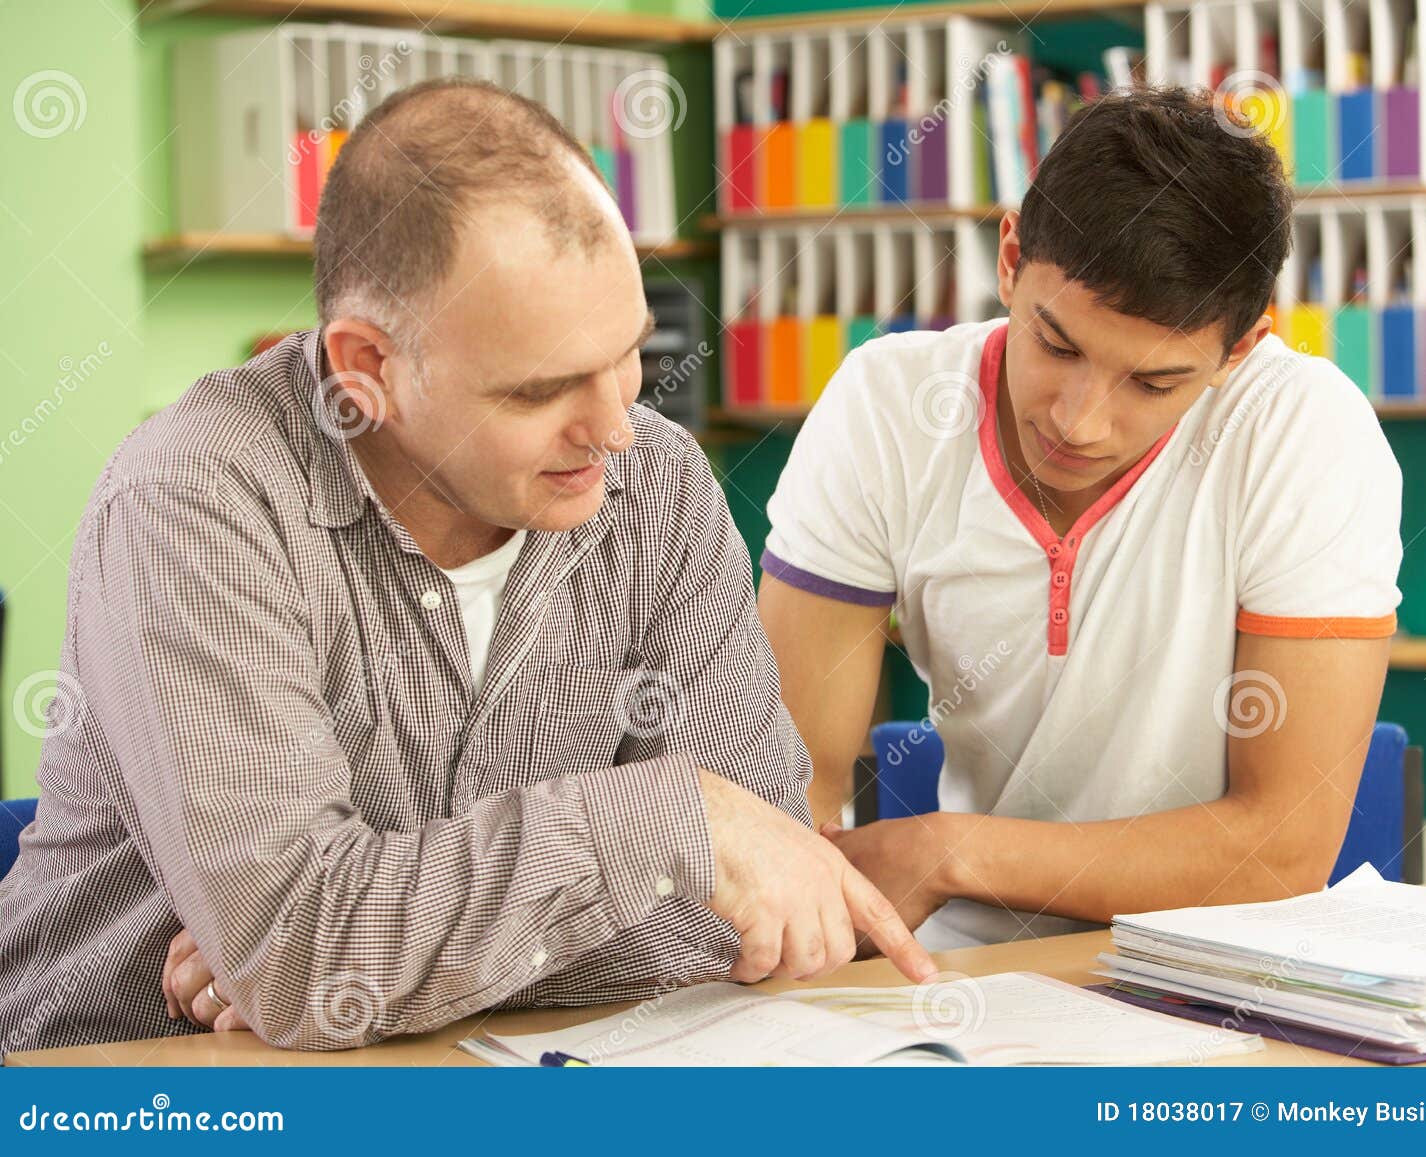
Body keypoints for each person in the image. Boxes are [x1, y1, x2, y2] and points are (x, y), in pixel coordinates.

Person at [0, 79, 932, 1054]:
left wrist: (361, 957)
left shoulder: (657, 484)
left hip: (499, 1069)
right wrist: (664, 824)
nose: (615, 427)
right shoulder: (196, 499)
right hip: (127, 1078)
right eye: (539, 390)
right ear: (368, 367)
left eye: (626, 355)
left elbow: (763, 909)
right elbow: (306, 956)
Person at [757, 86, 1403, 950]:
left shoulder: (1305, 430)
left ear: (1241, 347)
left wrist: (950, 852)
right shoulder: (887, 406)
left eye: (1154, 382)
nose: (1080, 421)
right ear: (1010, 260)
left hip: (1220, 965)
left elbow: (1280, 850)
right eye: (1057, 345)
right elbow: (784, 795)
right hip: (967, 976)